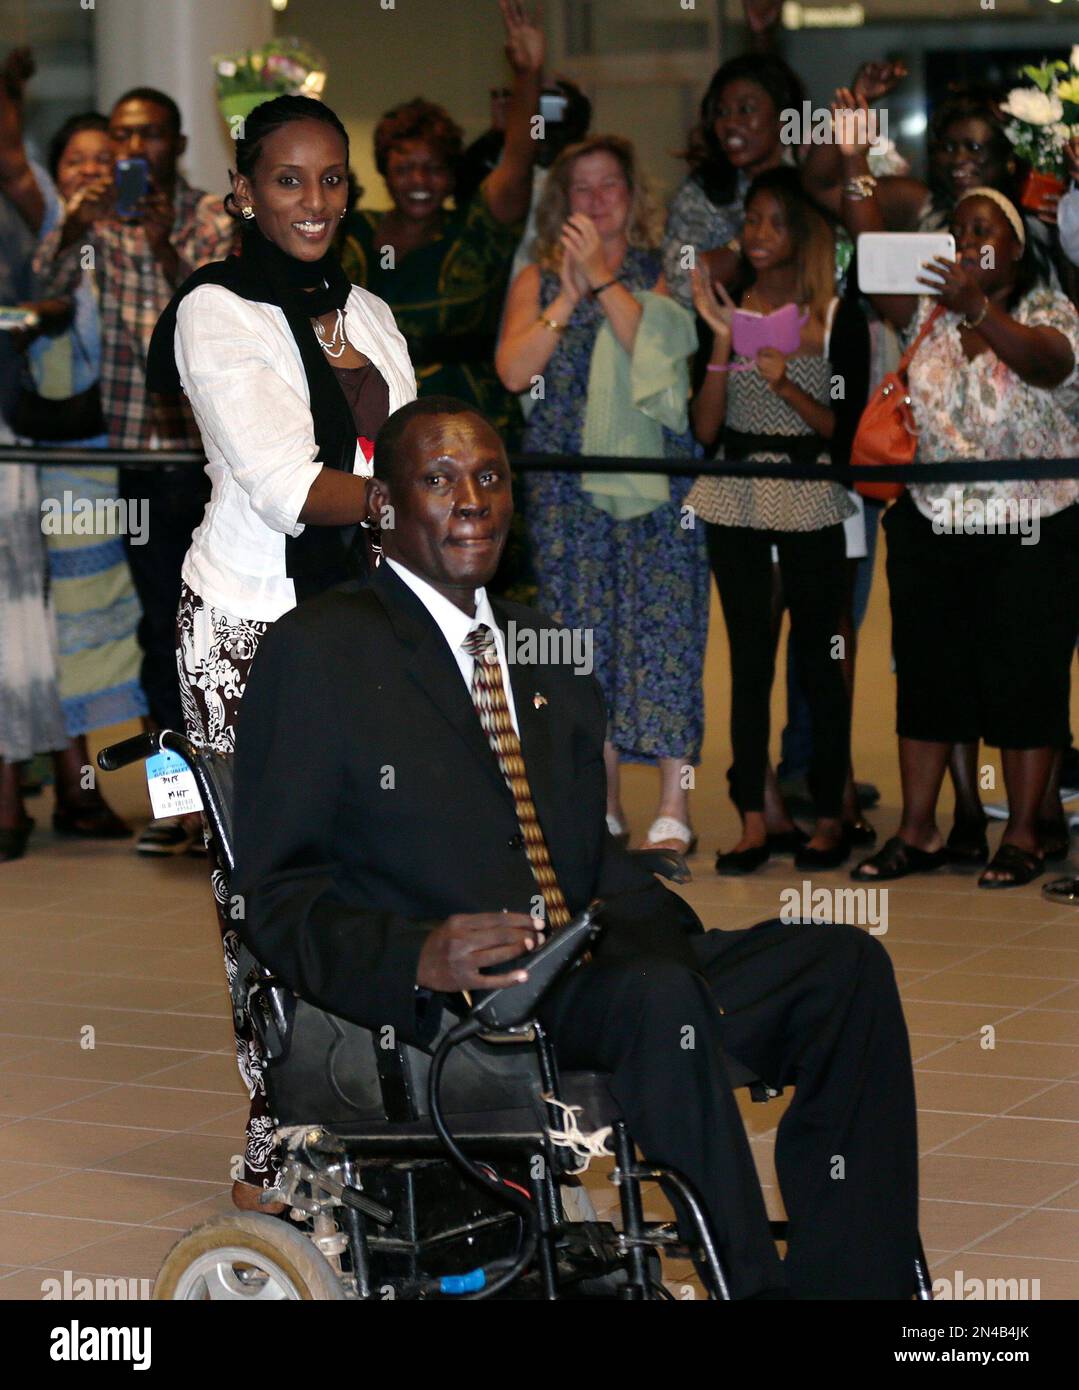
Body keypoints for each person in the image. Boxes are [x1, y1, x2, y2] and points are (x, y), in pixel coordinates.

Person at [229, 396, 920, 1300]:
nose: (471, 499)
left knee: (841, 969)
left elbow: (590, 862)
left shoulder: (538, 643)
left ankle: (858, 1289)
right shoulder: (321, 652)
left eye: (488, 476)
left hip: (596, 967)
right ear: (386, 510)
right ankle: (751, 1289)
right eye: (438, 480)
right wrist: (417, 956)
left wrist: (669, 937)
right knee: (657, 997)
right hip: (461, 1006)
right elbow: (275, 900)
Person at [145, 93, 416, 1209]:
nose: (314, 201)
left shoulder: (365, 308)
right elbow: (288, 485)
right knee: (267, 888)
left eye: (332, 180)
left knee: (377, 868)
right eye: (289, 180)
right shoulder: (216, 309)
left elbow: (407, 430)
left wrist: (423, 495)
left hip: (365, 621)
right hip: (250, 626)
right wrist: (436, 499)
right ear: (245, 193)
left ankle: (375, 1108)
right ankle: (279, 1134)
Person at [851, 188, 1079, 888]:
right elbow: (865, 249)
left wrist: (978, 309)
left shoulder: (1050, 310)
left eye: (981, 230)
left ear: (1015, 246)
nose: (965, 240)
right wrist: (858, 163)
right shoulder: (927, 313)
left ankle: (1021, 835)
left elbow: (1047, 364)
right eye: (955, 229)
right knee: (927, 680)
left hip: (1028, 523)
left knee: (1023, 680)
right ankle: (917, 832)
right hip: (933, 523)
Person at [36, 85, 237, 855]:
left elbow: (217, 312)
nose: (132, 151)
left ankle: (235, 804)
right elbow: (43, 298)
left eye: (149, 135)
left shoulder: (210, 215)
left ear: (176, 144)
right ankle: (175, 805)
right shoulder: (97, 220)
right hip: (139, 457)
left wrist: (160, 244)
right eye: (122, 136)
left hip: (213, 455)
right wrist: (75, 227)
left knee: (218, 629)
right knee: (159, 633)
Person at [496, 134, 709, 855]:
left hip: (660, 480)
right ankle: (605, 802)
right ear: (561, 202)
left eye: (608, 186)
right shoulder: (536, 275)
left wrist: (604, 282)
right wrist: (567, 292)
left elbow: (660, 357)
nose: (594, 201)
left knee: (664, 633)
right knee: (581, 641)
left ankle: (675, 805)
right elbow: (513, 371)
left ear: (631, 193)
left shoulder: (664, 269)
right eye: (580, 189)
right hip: (565, 484)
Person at [686, 168, 865, 874]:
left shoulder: (832, 315)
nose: (756, 236)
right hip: (734, 489)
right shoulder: (729, 308)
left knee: (820, 660)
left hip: (810, 489)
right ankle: (755, 816)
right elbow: (703, 428)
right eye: (749, 221)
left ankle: (830, 812)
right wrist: (723, 344)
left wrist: (783, 379)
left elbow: (841, 432)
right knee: (748, 660)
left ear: (802, 233)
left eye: (772, 222)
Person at [17, 113, 147, 839]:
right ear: (56, 172)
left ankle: (176, 805)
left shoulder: (138, 242)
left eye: (106, 159)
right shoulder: (46, 243)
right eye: (76, 160)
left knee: (155, 628)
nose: (91, 170)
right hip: (69, 464)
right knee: (73, 630)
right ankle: (79, 790)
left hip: (140, 453)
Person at [338, 0, 544, 447]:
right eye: (405, 168)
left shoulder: (475, 231)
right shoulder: (349, 234)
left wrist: (528, 75)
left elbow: (519, 160)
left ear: (452, 176)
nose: (419, 181)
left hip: (472, 421)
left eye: (432, 168)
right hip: (374, 424)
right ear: (384, 172)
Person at [0, 48, 74, 861]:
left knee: (16, 617)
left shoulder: (21, 199)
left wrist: (9, 88)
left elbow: (15, 164)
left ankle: (16, 806)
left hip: (6, 430)